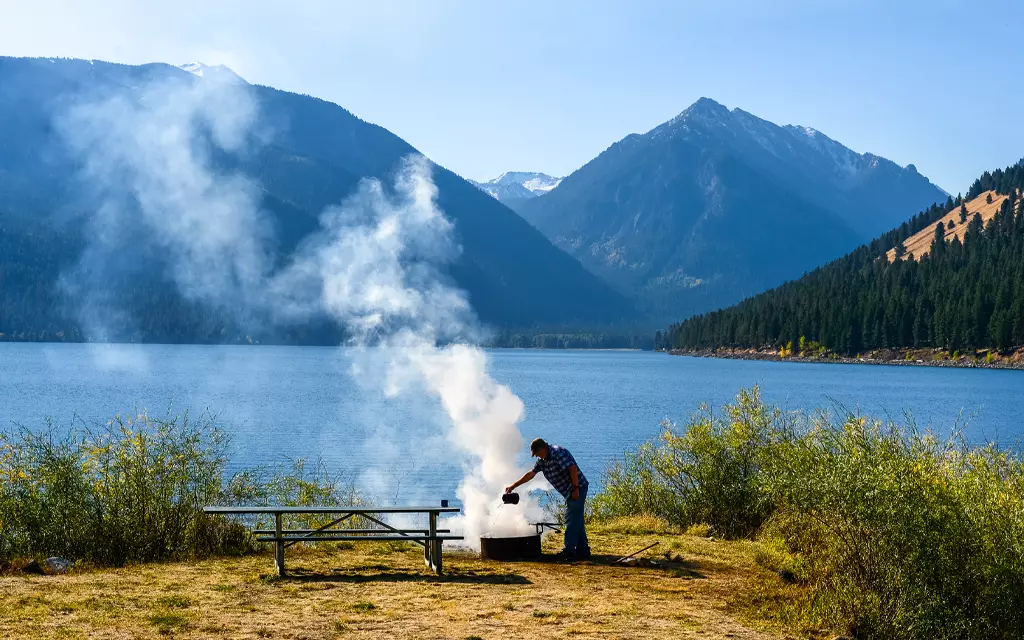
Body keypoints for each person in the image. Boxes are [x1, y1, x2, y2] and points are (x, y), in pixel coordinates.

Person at [505, 438, 591, 560]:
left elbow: (572, 468)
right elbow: (531, 474)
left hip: (577, 488)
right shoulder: (542, 461)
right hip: (569, 492)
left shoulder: (558, 453)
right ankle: (583, 551)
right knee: (576, 519)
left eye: (537, 453)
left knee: (571, 519)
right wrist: (513, 486)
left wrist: (576, 488)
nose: (537, 457)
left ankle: (569, 551)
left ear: (543, 448)